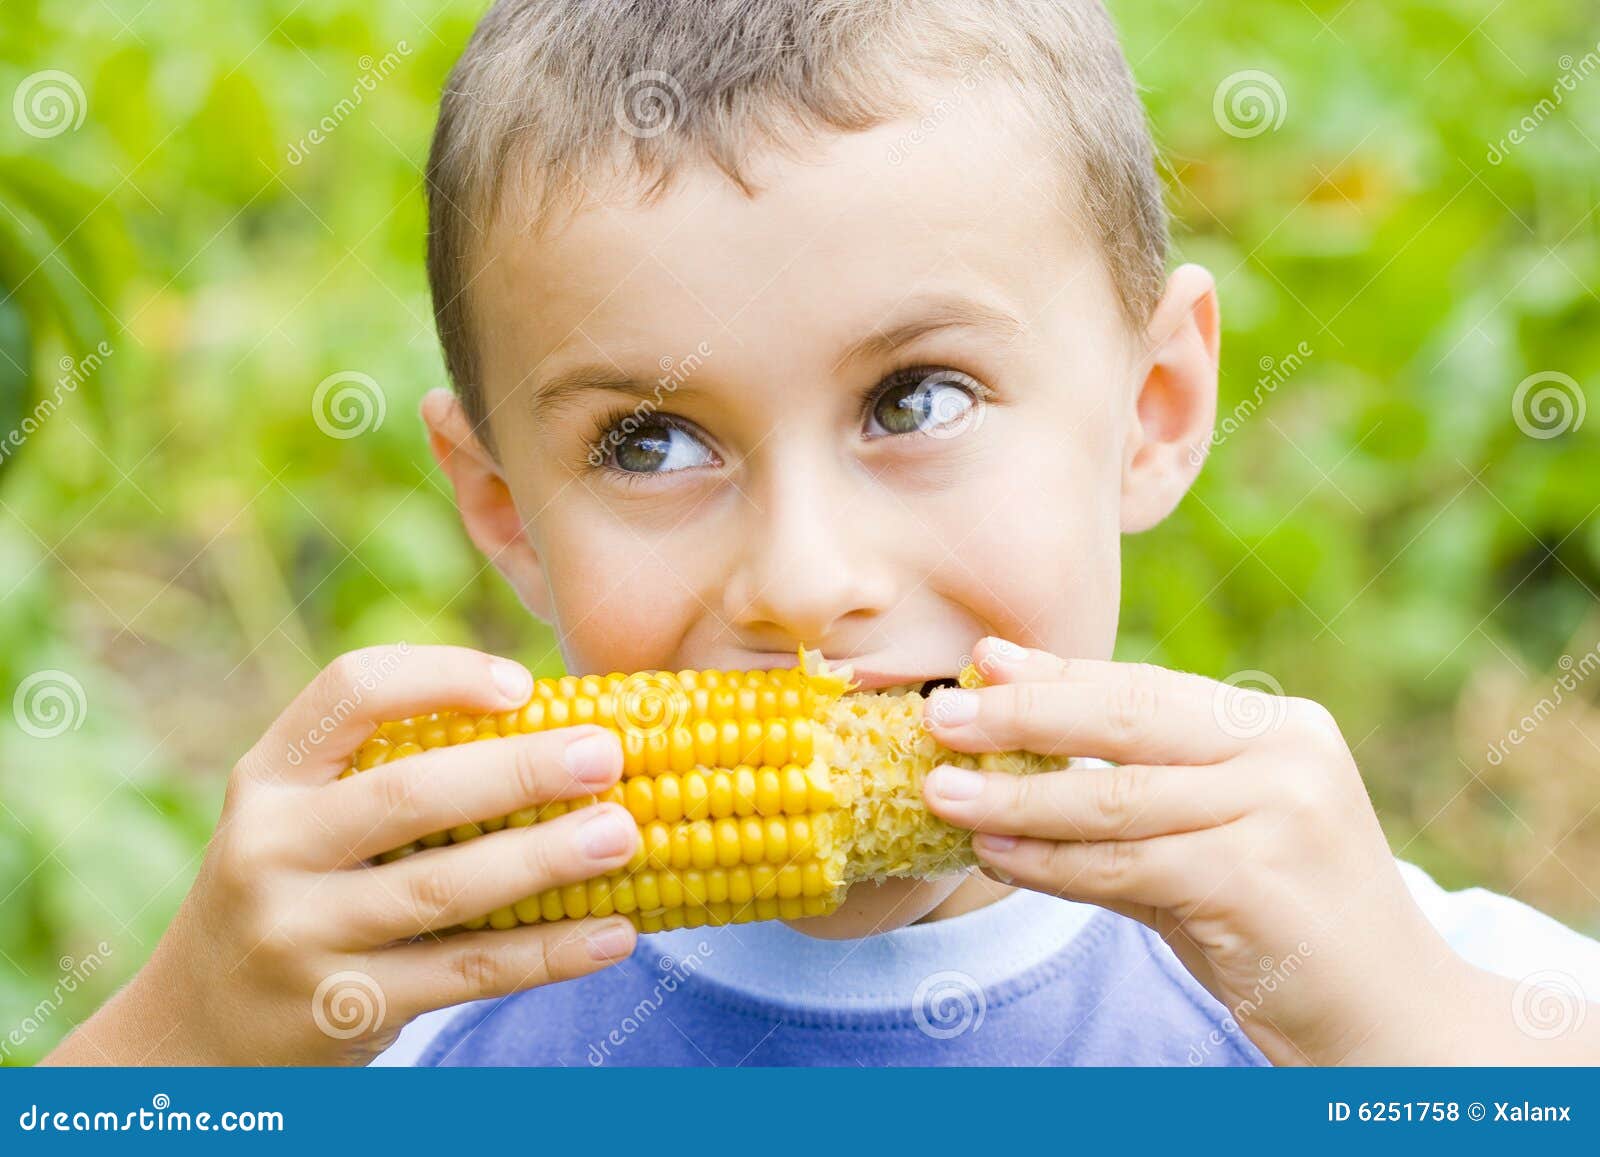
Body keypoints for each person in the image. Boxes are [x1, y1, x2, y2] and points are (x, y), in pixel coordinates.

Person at [49, 0, 1600, 1067]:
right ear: (503, 509)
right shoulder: (386, 1036)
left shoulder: (1407, 993)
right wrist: (175, 1044)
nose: (801, 581)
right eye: (649, 441)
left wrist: (1424, 1049)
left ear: (1153, 404)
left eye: (915, 400)